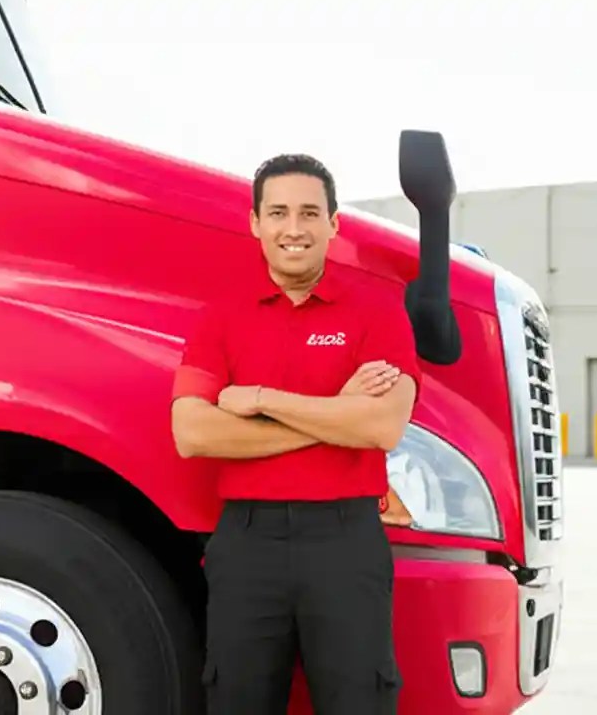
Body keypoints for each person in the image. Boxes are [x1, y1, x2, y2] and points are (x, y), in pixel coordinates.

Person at [170, 153, 422, 714]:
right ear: (255, 222)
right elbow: (192, 432)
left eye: (310, 213)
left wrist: (262, 401)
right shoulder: (222, 317)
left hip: (346, 543)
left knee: (360, 701)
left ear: (334, 224)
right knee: (238, 701)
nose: (293, 228)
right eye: (278, 212)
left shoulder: (378, 314)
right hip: (247, 545)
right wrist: (337, 415)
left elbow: (381, 425)